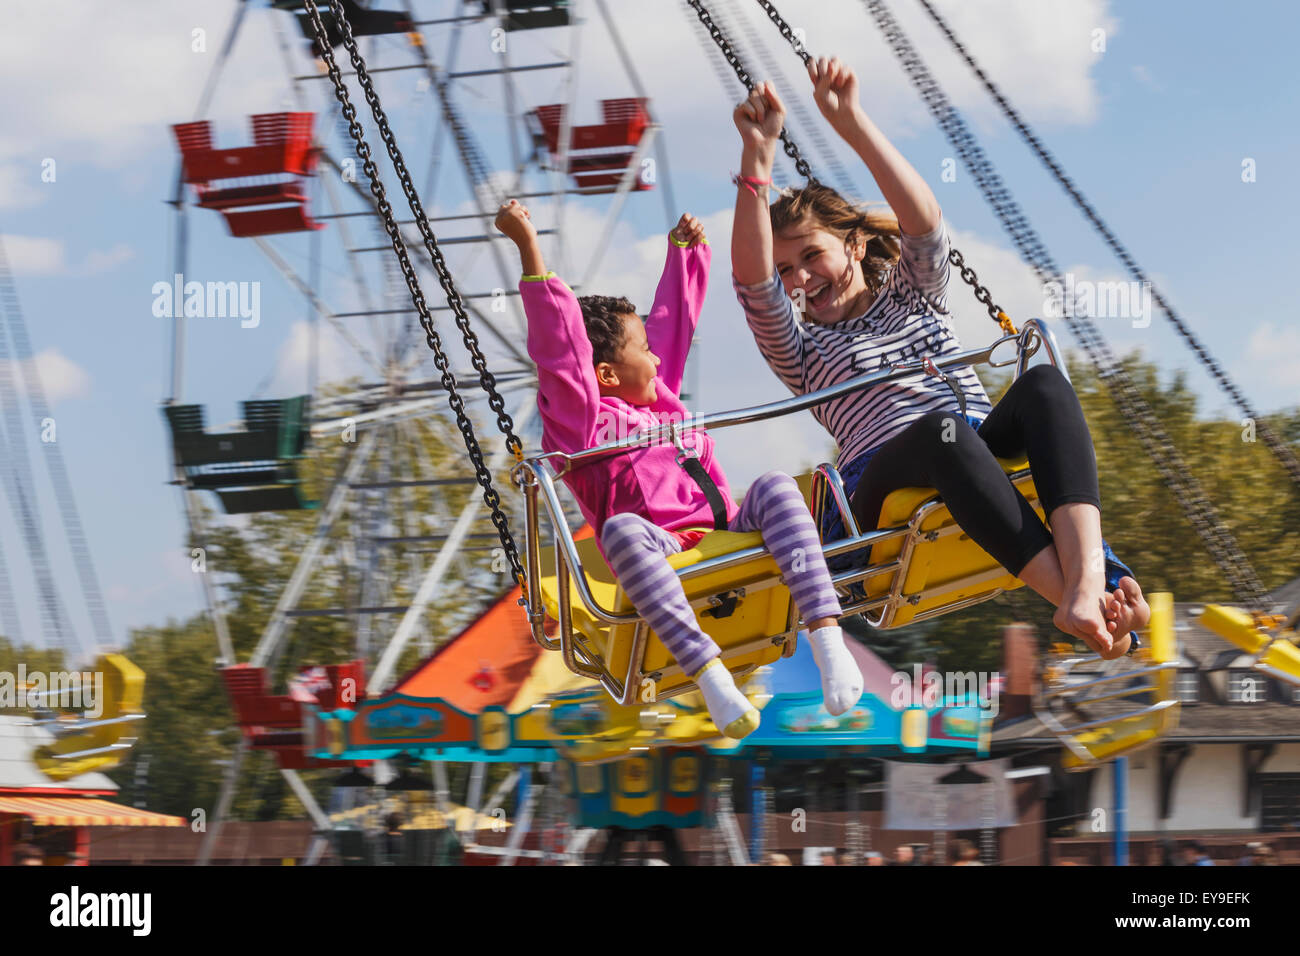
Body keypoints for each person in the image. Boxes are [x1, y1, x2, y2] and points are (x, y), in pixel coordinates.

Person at [729, 58, 1150, 659]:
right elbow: (753, 284)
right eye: (786, 270)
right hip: (880, 477)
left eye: (811, 256)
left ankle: (1089, 589)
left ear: (854, 244)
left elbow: (923, 223)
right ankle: (1082, 603)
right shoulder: (802, 351)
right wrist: (757, 159)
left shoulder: (915, 294)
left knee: (1044, 385)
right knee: (941, 432)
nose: (799, 278)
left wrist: (851, 122)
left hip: (973, 440)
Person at [498, 200, 863, 737]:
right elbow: (562, 352)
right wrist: (529, 247)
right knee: (619, 531)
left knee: (776, 487)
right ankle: (711, 676)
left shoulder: (660, 399)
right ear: (605, 375)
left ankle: (828, 639)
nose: (657, 360)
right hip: (663, 548)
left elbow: (671, 328)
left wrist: (684, 257)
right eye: (643, 351)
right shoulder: (582, 423)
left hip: (727, 527)